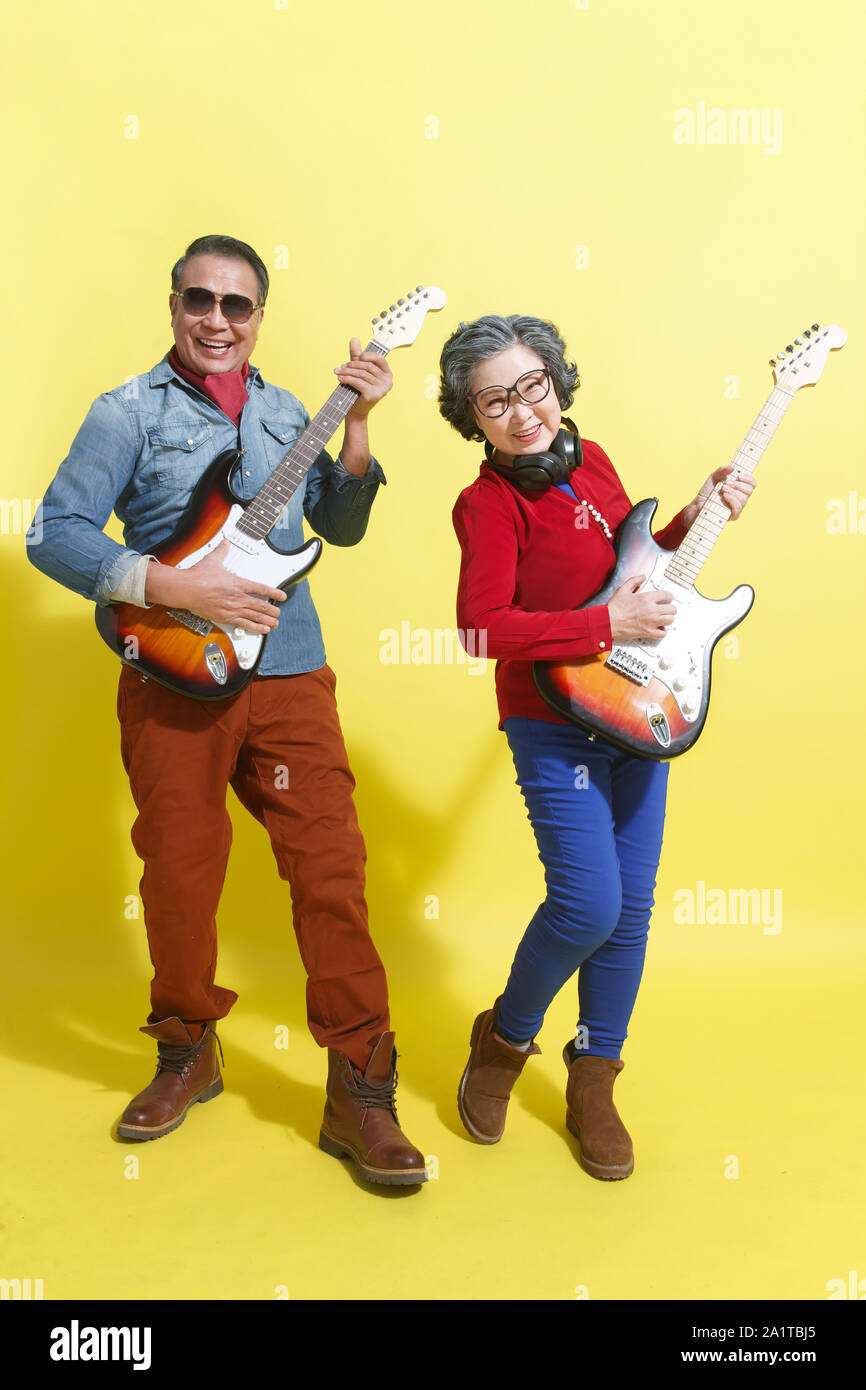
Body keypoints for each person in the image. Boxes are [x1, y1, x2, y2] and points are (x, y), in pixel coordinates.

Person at [27, 234, 427, 1187]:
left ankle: (360, 1088)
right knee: (179, 875)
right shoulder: (124, 411)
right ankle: (187, 1050)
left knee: (331, 868)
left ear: (260, 317)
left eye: (236, 305)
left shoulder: (295, 409)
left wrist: (361, 425)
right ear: (173, 305)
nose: (217, 320)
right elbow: (54, 532)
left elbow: (340, 524)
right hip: (175, 674)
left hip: (290, 673)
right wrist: (172, 586)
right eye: (198, 300)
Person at [440, 314, 754, 1180]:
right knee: (588, 905)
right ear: (472, 415)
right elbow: (478, 628)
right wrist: (602, 625)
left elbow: (639, 563)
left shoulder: (597, 461)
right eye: (494, 399)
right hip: (552, 721)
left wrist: (703, 509)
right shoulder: (487, 504)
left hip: (640, 710)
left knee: (633, 911)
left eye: (530, 385)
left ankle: (595, 1075)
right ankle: (504, 1041)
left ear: (556, 381)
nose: (520, 410)